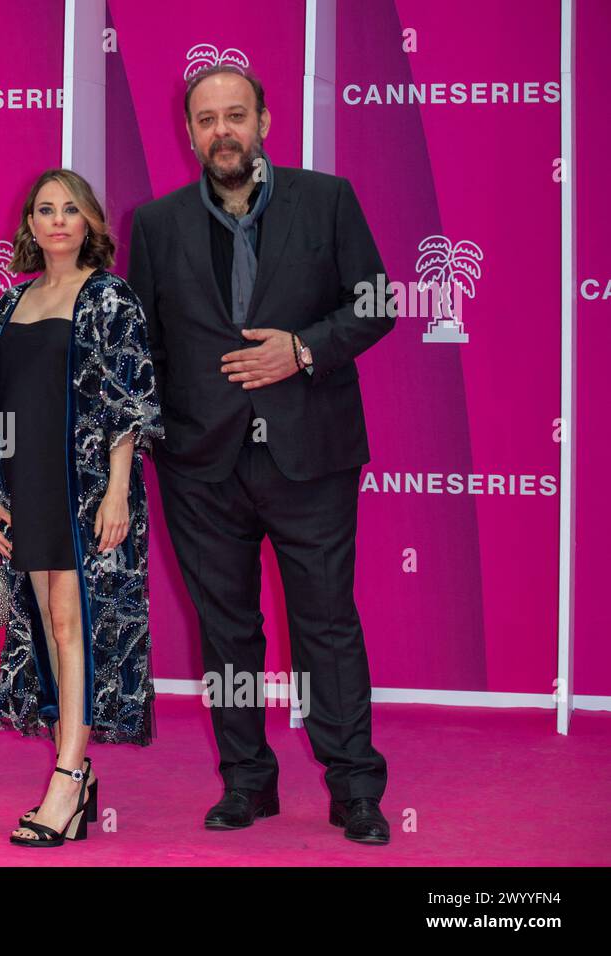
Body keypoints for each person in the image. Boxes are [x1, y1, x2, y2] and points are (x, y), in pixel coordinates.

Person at [128, 65, 396, 844]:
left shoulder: (328, 199)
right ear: (189, 132)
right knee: (228, 631)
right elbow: (142, 344)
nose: (222, 132)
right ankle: (247, 781)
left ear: (265, 121)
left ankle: (354, 788)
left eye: (235, 115)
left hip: (311, 452)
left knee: (327, 625)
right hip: (200, 465)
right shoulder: (157, 223)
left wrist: (304, 350)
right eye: (207, 119)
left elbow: (376, 303)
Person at [0, 169, 163, 848]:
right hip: (25, 483)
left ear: (89, 222)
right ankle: (73, 771)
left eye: (71, 209)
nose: (57, 221)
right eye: (45, 210)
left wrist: (118, 490)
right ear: (30, 223)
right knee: (42, 625)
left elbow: (128, 401)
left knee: (70, 620)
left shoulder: (109, 298)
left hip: (82, 487)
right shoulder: (10, 303)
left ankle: (68, 774)